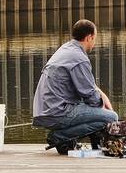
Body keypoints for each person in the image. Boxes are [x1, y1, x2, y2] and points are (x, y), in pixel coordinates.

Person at [33, 19, 118, 154]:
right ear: (89, 37)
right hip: (59, 112)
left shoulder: (66, 49)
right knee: (111, 117)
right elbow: (91, 97)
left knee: (100, 111)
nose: (94, 43)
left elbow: (88, 86)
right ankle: (60, 136)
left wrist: (102, 95)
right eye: (94, 38)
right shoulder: (79, 58)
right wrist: (102, 105)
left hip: (45, 110)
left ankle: (63, 136)